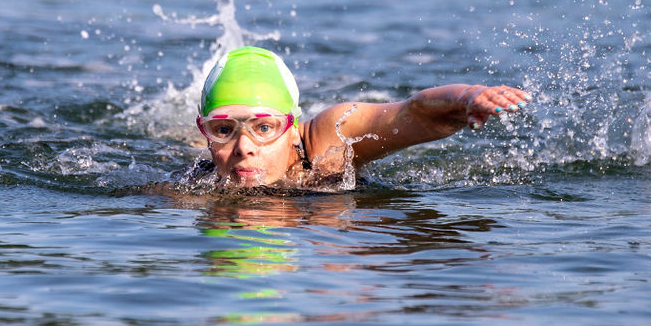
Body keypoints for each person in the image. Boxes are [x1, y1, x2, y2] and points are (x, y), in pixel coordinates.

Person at [193, 46, 529, 189]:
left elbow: (413, 113)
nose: (244, 147)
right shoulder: (194, 184)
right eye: (223, 130)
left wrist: (465, 98)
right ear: (206, 134)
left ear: (292, 129)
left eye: (264, 127)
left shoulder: (331, 138)